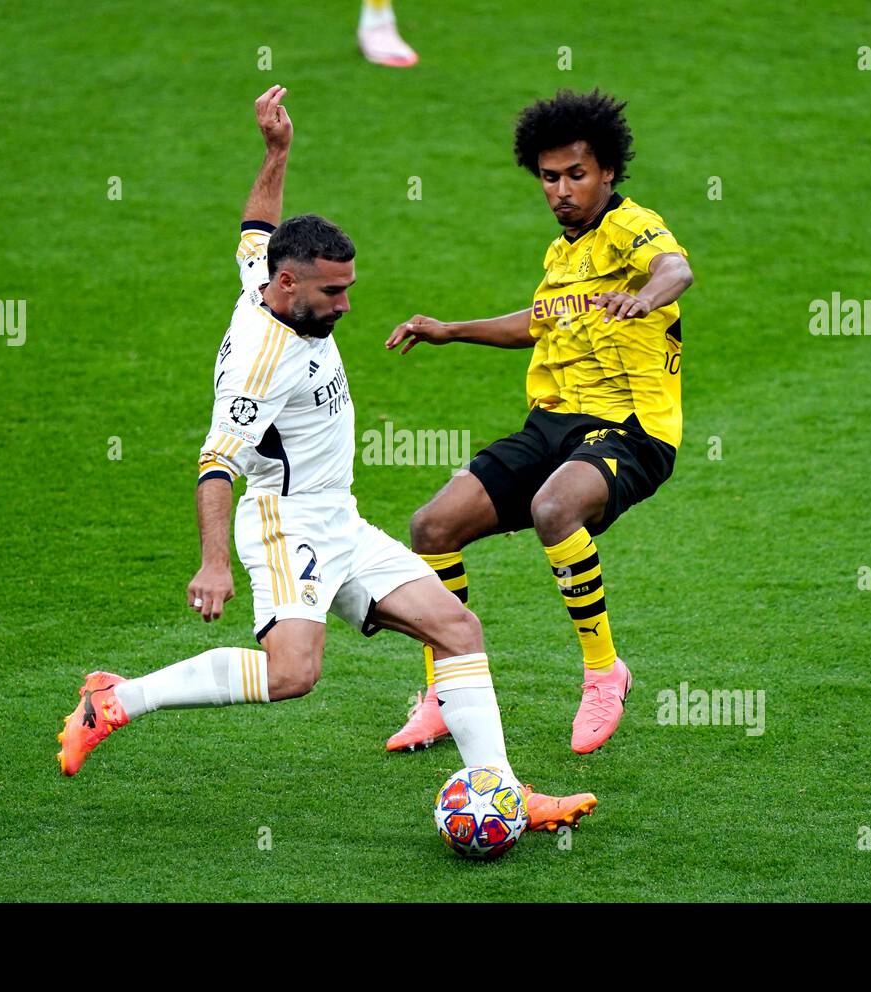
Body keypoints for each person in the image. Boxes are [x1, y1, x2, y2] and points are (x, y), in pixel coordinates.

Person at [58, 86, 596, 834]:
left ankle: (504, 790)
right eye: (333, 292)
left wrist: (275, 152)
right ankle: (114, 699)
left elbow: (256, 227)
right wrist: (213, 563)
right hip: (285, 525)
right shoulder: (261, 361)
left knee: (458, 630)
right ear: (290, 286)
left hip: (335, 519)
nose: (345, 306)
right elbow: (217, 461)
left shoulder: (267, 276)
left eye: (348, 288)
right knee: (292, 675)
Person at [384, 88, 694, 755]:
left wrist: (641, 301)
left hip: (629, 429)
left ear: (607, 170)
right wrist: (451, 330)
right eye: (549, 177)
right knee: (432, 526)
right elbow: (537, 322)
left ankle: (604, 673)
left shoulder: (633, 227)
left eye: (575, 175)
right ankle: (446, 690)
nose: (561, 189)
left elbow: (676, 269)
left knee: (557, 509)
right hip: (551, 426)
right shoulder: (561, 254)